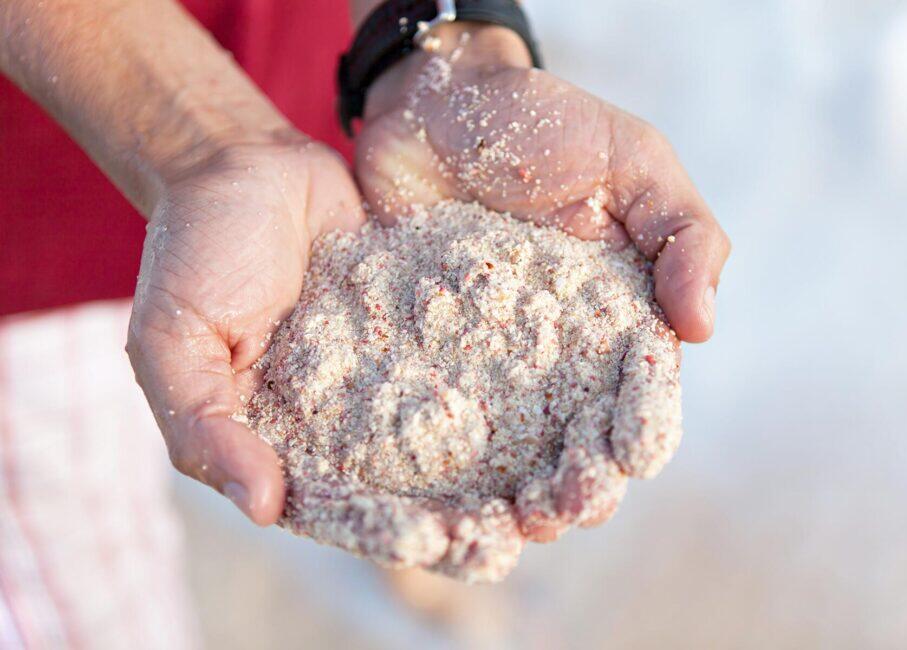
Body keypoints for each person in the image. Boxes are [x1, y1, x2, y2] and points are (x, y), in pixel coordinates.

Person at [0, 0, 730, 645]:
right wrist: (201, 146)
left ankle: (413, 543)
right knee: (90, 599)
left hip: (338, 116)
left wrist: (437, 41)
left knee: (373, 200)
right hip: (37, 209)